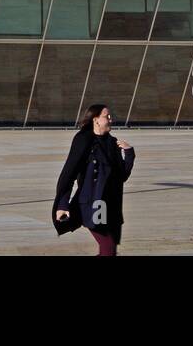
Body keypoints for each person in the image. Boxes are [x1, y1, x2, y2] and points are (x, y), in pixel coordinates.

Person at [53, 104, 135, 256]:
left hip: (111, 205)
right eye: (107, 116)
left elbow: (121, 177)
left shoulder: (112, 143)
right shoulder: (83, 141)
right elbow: (69, 174)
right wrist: (63, 204)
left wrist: (129, 154)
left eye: (110, 116)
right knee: (108, 249)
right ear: (95, 120)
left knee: (109, 250)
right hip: (93, 203)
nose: (111, 119)